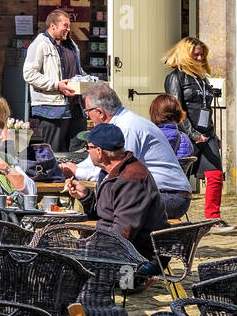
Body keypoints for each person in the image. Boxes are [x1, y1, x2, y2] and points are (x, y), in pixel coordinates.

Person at [60, 84, 193, 219]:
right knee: (109, 206)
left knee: (113, 208)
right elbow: (96, 161)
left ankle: (105, 238)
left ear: (100, 112)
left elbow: (115, 169)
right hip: (157, 193)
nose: (88, 117)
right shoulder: (120, 124)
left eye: (87, 112)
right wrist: (70, 168)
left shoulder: (127, 127)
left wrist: (76, 172)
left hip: (170, 196)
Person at [65, 123, 170, 262]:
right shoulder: (111, 173)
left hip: (139, 256)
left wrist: (89, 248)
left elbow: (122, 234)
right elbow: (106, 214)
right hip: (120, 249)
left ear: (99, 151)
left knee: (66, 262)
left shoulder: (130, 178)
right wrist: (86, 196)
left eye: (88, 147)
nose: (87, 151)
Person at [163, 37, 232, 232]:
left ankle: (213, 218)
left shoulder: (202, 79)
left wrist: (214, 135)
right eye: (197, 55)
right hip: (185, 135)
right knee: (176, 178)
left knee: (216, 175)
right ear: (186, 55)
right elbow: (178, 110)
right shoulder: (175, 78)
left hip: (206, 133)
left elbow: (206, 110)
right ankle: (170, 216)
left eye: (203, 55)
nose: (201, 58)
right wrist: (192, 134)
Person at [22, 9, 85, 152]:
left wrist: (89, 82)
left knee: (77, 152)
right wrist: (57, 85)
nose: (68, 29)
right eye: (65, 25)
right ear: (52, 26)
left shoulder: (71, 45)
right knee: (54, 152)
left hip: (75, 108)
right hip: (52, 110)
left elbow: (77, 71)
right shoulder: (40, 44)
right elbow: (29, 73)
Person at [149, 94, 194, 162]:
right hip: (176, 172)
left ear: (154, 113)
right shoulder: (184, 139)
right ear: (178, 112)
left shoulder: (149, 137)